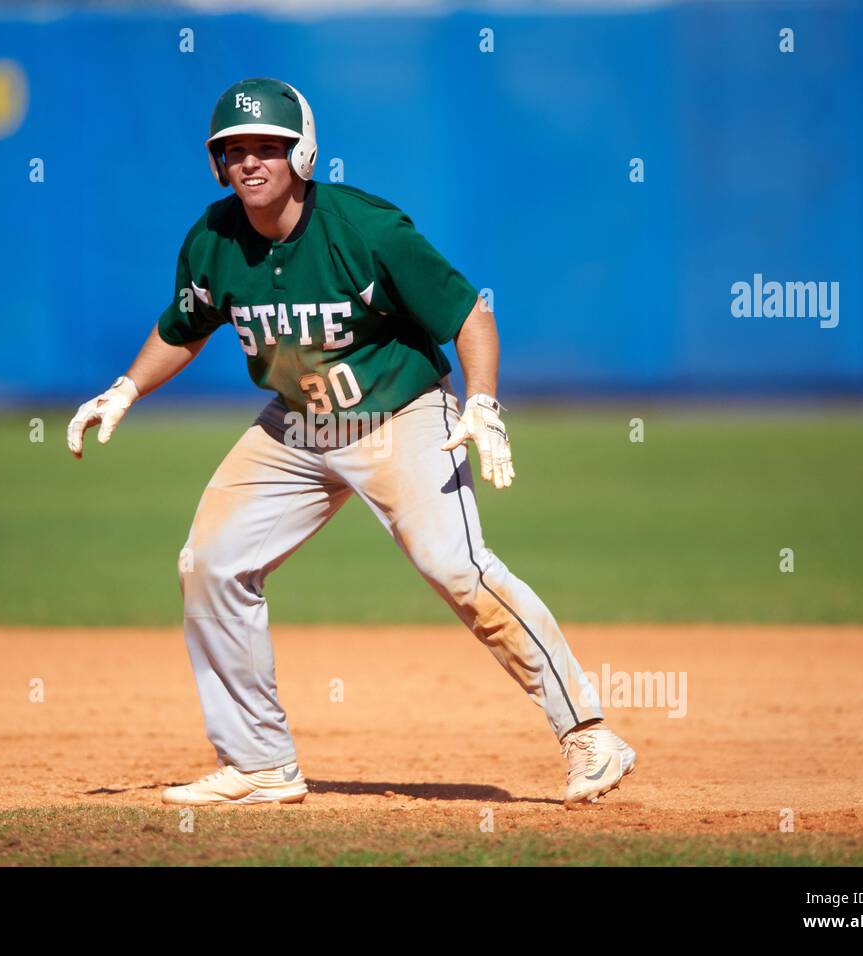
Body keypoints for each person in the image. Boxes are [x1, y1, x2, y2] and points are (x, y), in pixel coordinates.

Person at [67, 77, 636, 807]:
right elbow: (184, 328)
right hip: (295, 427)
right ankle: (260, 764)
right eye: (234, 150)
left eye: (267, 147)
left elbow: (469, 315)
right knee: (208, 564)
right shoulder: (213, 239)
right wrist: (125, 389)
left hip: (397, 414)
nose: (250, 163)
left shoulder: (366, 230)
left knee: (457, 568)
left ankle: (589, 734)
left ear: (302, 154)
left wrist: (483, 402)